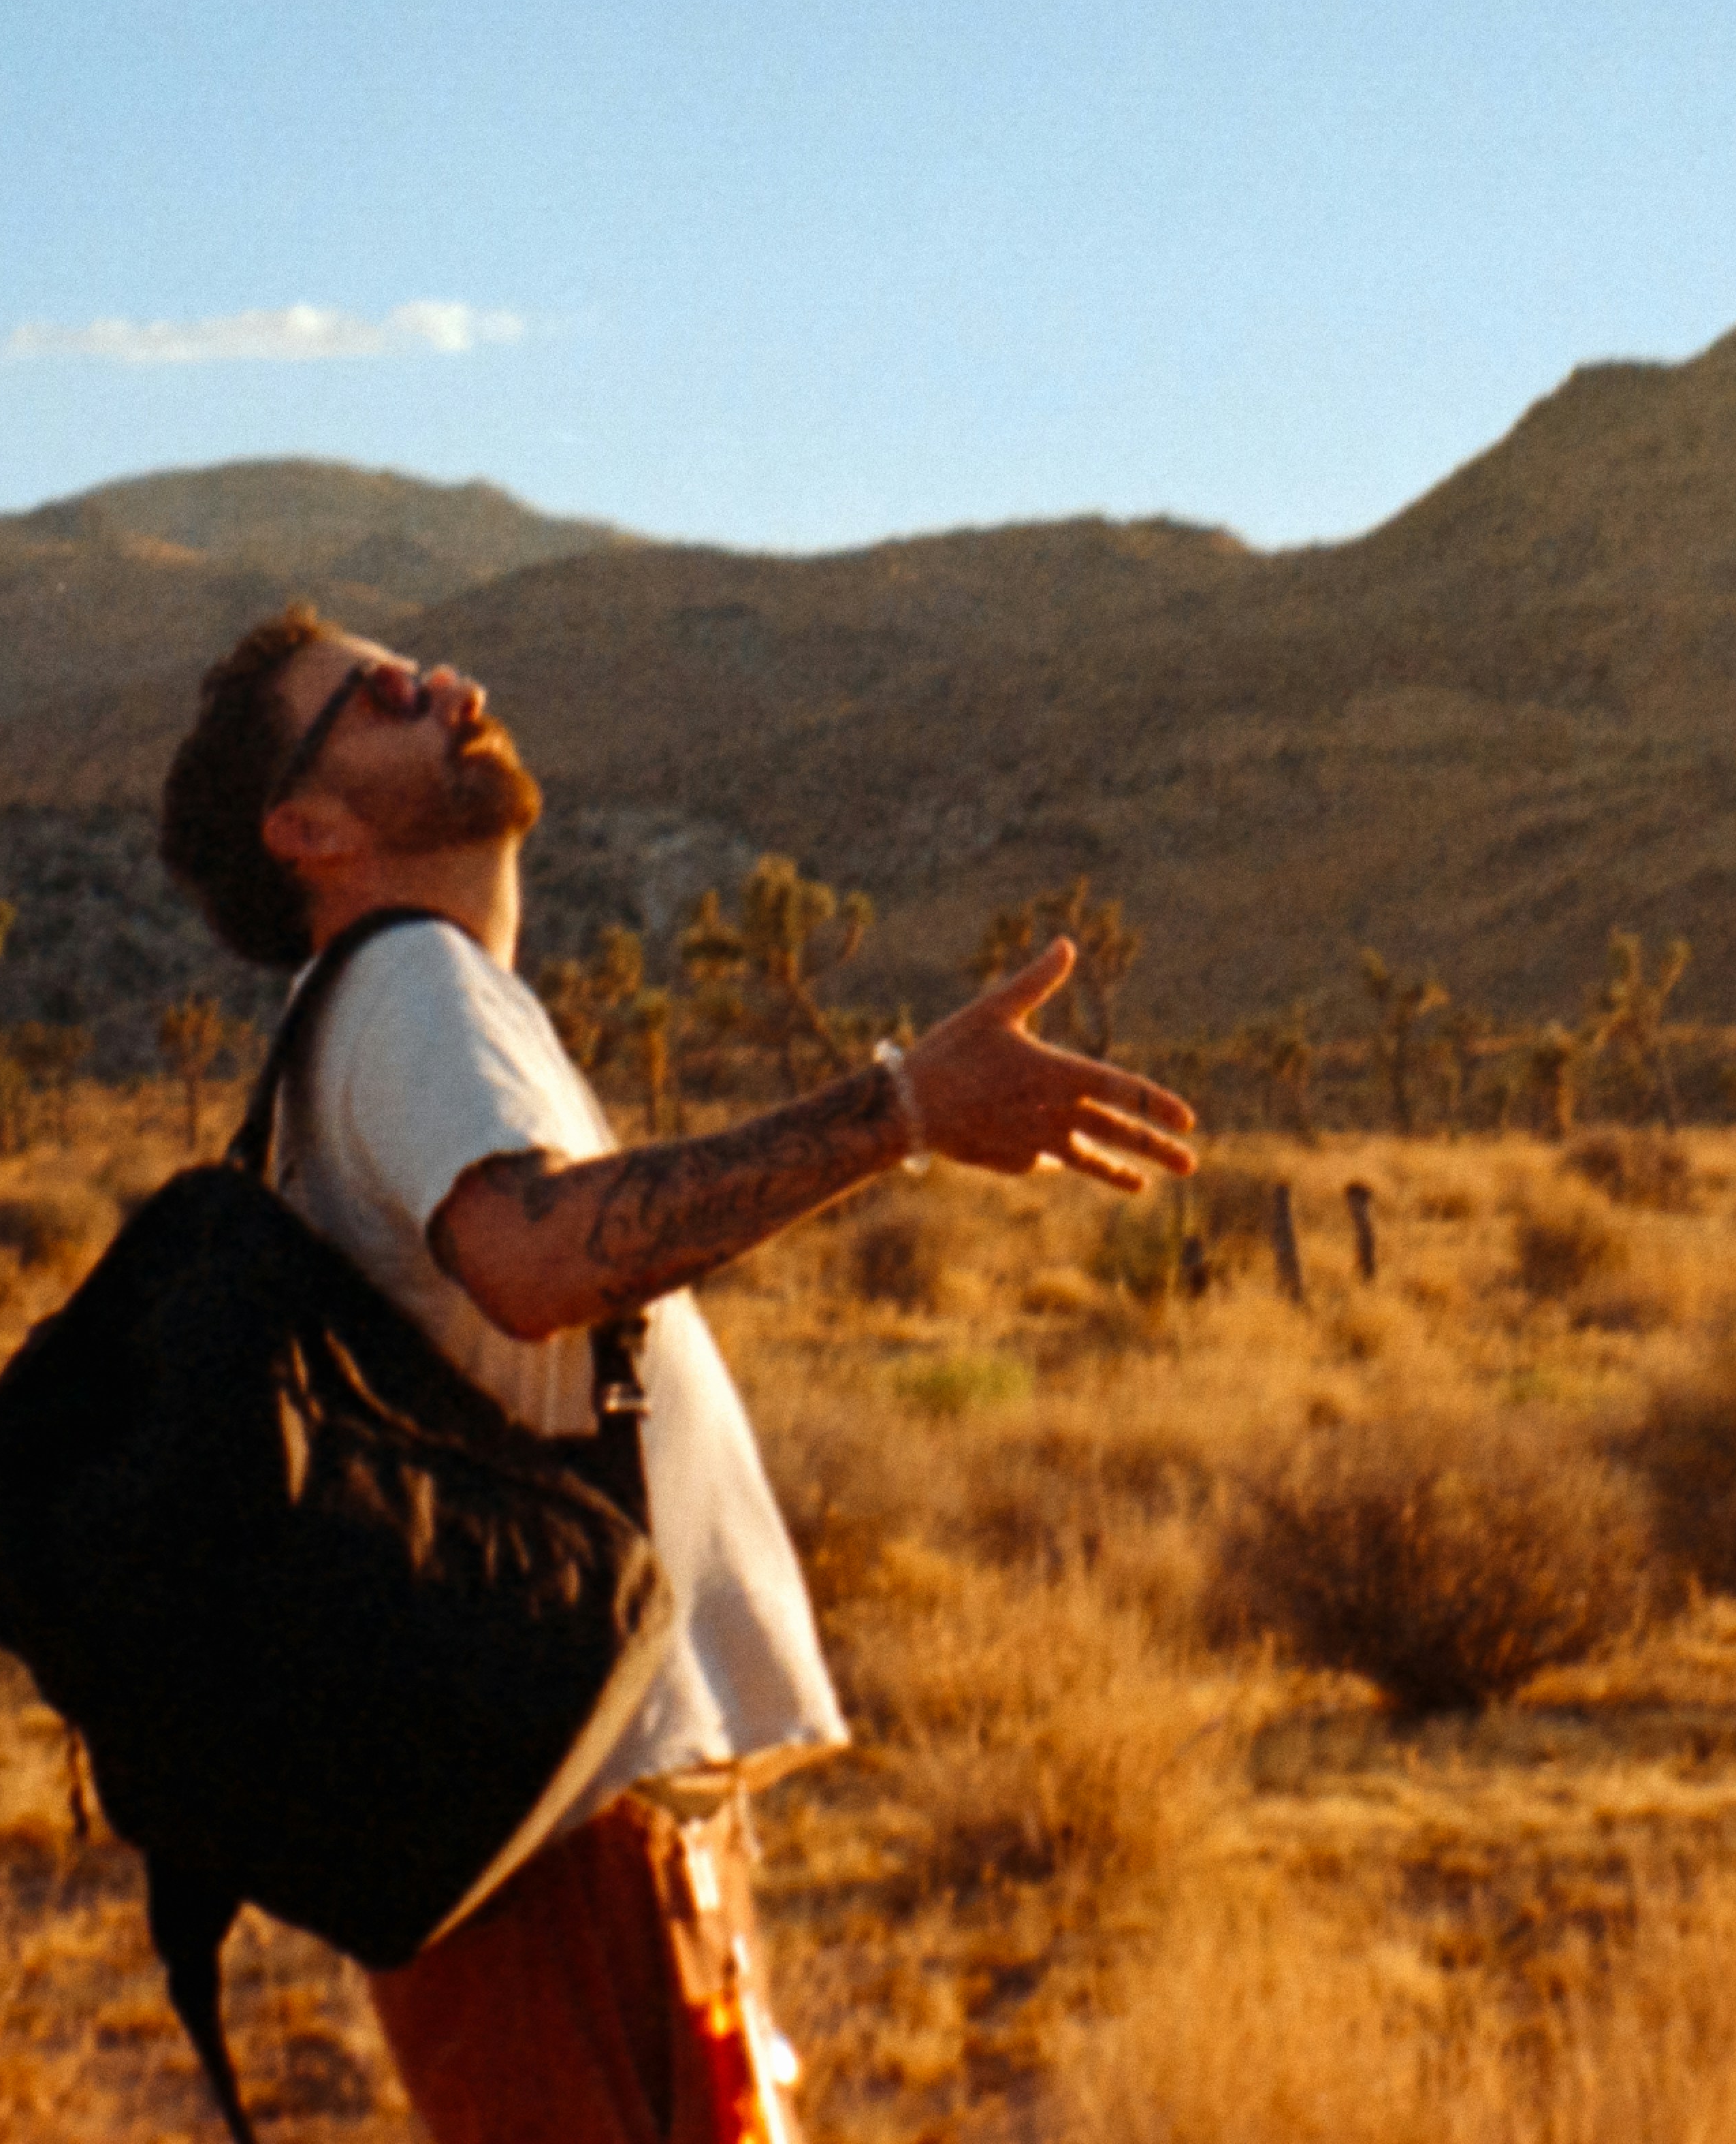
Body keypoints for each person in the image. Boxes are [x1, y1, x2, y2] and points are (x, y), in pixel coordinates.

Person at [155, 601, 1197, 2144]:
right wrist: (901, 1108)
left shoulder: (411, 1001)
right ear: (305, 826)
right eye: (379, 694)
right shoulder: (406, 989)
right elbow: (534, 1259)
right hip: (550, 1827)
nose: (442, 683)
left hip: (568, 1800)